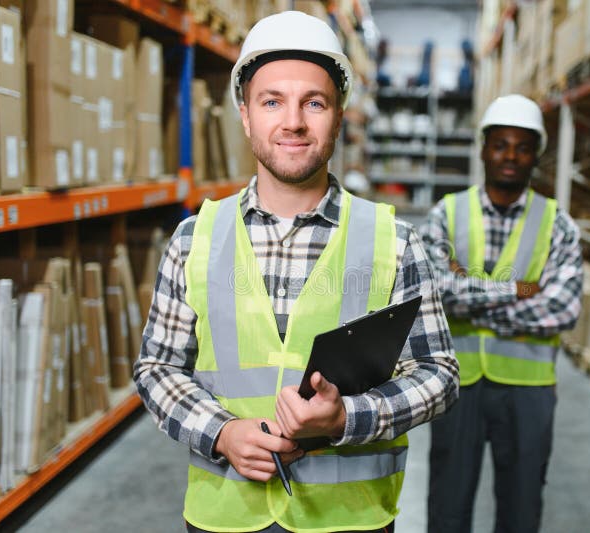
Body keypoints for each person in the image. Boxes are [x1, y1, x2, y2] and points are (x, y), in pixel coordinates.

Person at [134, 11, 459, 533]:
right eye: (271, 101)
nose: (293, 122)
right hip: (226, 515)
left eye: (314, 102)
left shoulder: (393, 242)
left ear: (339, 114)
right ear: (245, 116)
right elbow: (157, 368)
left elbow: (439, 376)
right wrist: (221, 432)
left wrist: (347, 419)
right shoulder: (195, 239)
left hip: (349, 521)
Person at [421, 94, 583, 533]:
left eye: (523, 147)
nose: (511, 156)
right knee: (447, 510)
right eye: (500, 145)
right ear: (483, 148)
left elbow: (563, 309)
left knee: (521, 509)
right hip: (457, 382)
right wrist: (517, 291)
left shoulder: (558, 223)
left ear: (536, 156)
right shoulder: (447, 214)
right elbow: (430, 290)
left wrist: (469, 299)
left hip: (528, 391)